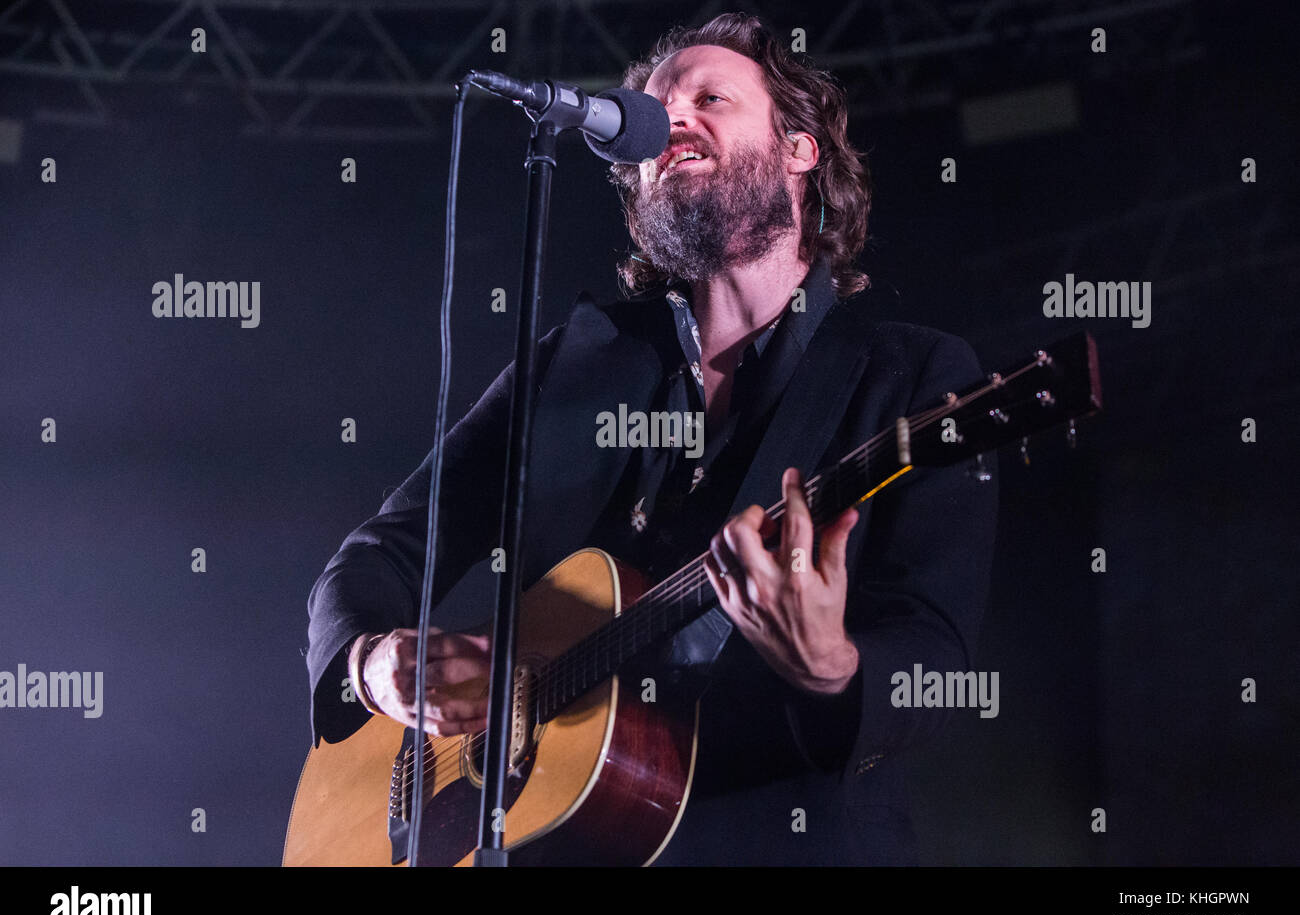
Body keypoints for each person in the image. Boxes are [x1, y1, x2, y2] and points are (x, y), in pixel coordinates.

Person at [305, 13, 998, 865]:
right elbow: (381, 552)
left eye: (710, 98)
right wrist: (369, 663)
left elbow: (936, 655)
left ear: (800, 150)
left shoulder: (912, 377)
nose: (671, 123)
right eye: (651, 112)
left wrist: (833, 669)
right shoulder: (577, 361)